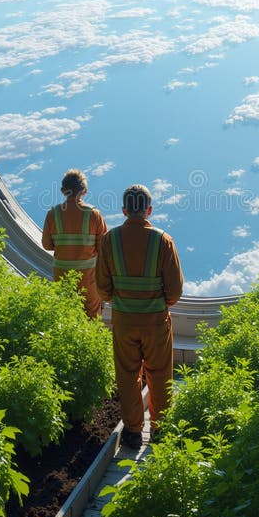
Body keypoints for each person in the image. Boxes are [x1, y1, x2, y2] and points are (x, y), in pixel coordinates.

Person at [95, 183, 184, 448]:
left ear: (124, 210)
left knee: (127, 374)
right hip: (156, 322)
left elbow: (102, 289)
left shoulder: (109, 240)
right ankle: (160, 429)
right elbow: (175, 291)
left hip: (124, 321)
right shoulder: (163, 240)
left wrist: (121, 300)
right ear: (149, 210)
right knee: (160, 374)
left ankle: (133, 432)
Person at [42, 169, 107, 319]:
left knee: (64, 316)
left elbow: (47, 245)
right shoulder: (94, 214)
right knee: (91, 316)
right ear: (84, 191)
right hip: (88, 278)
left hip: (61, 276)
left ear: (63, 191)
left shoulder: (53, 214)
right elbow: (103, 249)